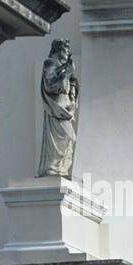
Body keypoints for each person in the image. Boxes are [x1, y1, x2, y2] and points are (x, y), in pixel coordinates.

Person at [37, 38, 79, 178]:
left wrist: (72, 83)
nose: (68, 52)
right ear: (58, 49)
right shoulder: (50, 63)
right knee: (64, 136)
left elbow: (71, 83)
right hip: (56, 109)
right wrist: (67, 73)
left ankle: (61, 168)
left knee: (70, 138)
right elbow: (50, 85)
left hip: (65, 108)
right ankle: (52, 168)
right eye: (66, 49)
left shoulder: (62, 66)